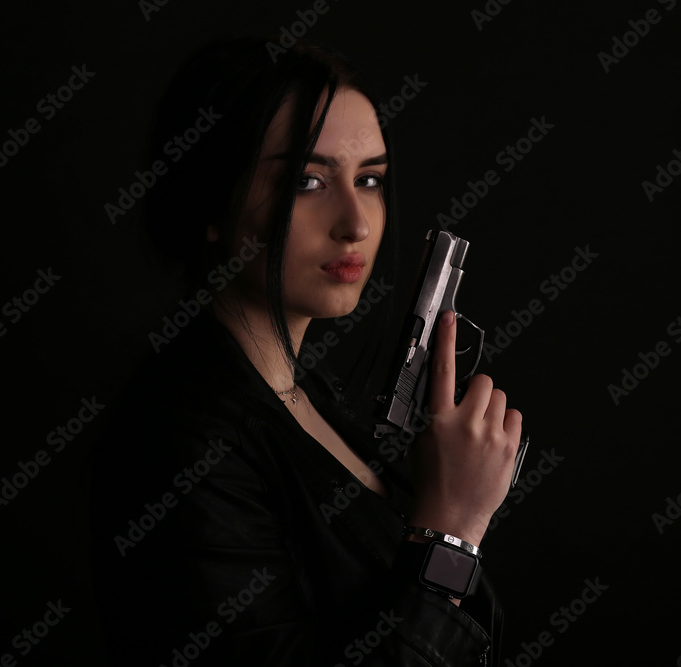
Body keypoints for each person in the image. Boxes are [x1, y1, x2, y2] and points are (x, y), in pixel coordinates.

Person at [91, 37, 523, 666]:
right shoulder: (182, 438)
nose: (357, 221)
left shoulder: (303, 395)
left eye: (369, 179)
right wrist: (451, 528)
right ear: (211, 199)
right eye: (309, 180)